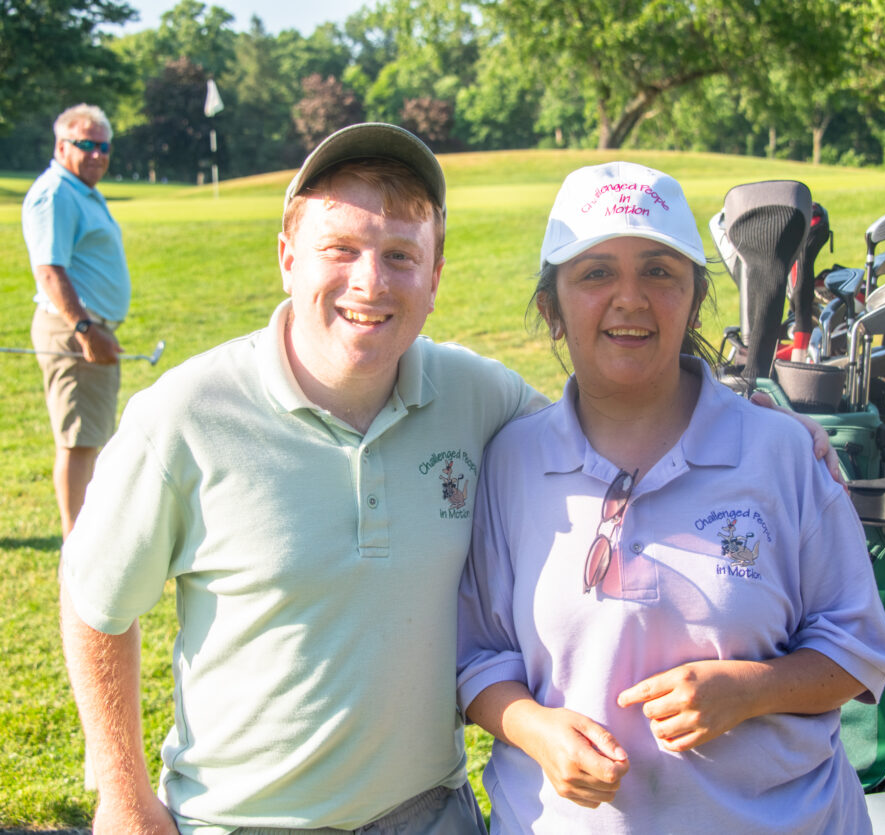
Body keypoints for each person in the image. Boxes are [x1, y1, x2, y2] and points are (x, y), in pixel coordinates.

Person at [60, 124, 839, 835]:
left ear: (435, 276)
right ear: (288, 256)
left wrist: (756, 418)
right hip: (237, 819)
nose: (371, 282)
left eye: (401, 254)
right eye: (342, 248)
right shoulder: (188, 413)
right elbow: (96, 601)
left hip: (431, 814)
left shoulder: (476, 398)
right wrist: (121, 787)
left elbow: (621, 414)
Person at [456, 161, 885, 833]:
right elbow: (479, 654)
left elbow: (861, 646)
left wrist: (753, 689)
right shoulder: (513, 462)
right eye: (595, 272)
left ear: (695, 298)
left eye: (660, 271)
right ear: (551, 307)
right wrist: (535, 727)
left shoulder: (780, 452)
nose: (630, 298)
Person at [22, 103, 129, 542]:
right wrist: (85, 329)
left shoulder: (80, 190)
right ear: (62, 145)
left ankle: (83, 534)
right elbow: (49, 271)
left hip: (87, 329)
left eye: (104, 146)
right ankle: (77, 542)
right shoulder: (56, 194)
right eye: (87, 145)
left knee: (89, 436)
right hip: (74, 331)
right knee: (78, 440)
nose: (98, 155)